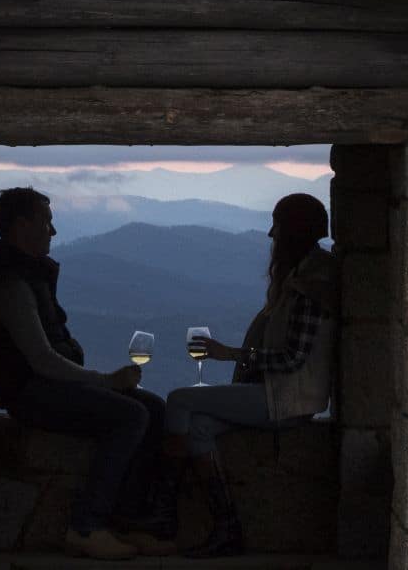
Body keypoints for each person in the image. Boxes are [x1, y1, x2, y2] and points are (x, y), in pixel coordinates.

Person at [0, 187, 174, 560]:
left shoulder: (26, 274)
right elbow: (42, 360)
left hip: (45, 385)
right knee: (132, 415)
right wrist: (105, 381)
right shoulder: (11, 284)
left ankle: (129, 522)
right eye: (46, 221)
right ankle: (86, 527)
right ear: (22, 226)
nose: (53, 231)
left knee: (155, 408)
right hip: (30, 392)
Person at [145, 192, 339, 558]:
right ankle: (227, 527)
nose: (270, 235)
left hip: (284, 398)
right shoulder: (307, 276)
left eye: (277, 226)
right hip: (279, 395)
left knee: (179, 399)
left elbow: (293, 358)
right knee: (199, 425)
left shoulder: (313, 287)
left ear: (292, 231)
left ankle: (163, 509)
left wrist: (230, 354)